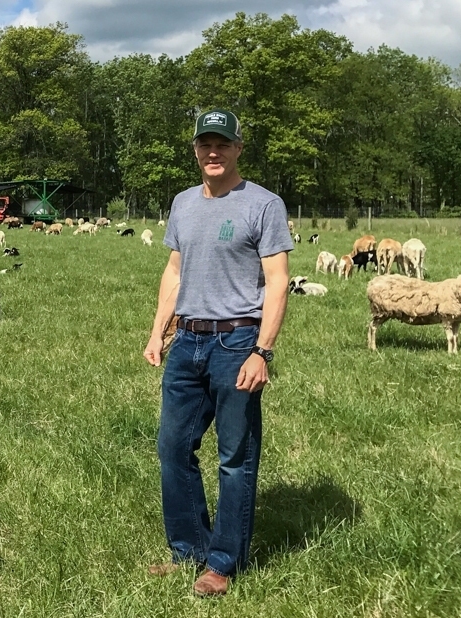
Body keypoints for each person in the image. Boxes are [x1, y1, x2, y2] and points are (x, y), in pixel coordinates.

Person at [142, 109, 293, 597]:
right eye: (205, 143)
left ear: (238, 148)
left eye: (222, 143)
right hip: (187, 341)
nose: (213, 152)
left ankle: (223, 562)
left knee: (235, 456)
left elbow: (277, 281)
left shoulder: (264, 204)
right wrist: (158, 330)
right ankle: (188, 549)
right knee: (172, 448)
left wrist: (262, 351)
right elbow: (174, 271)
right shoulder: (183, 203)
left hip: (237, 343)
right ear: (194, 150)